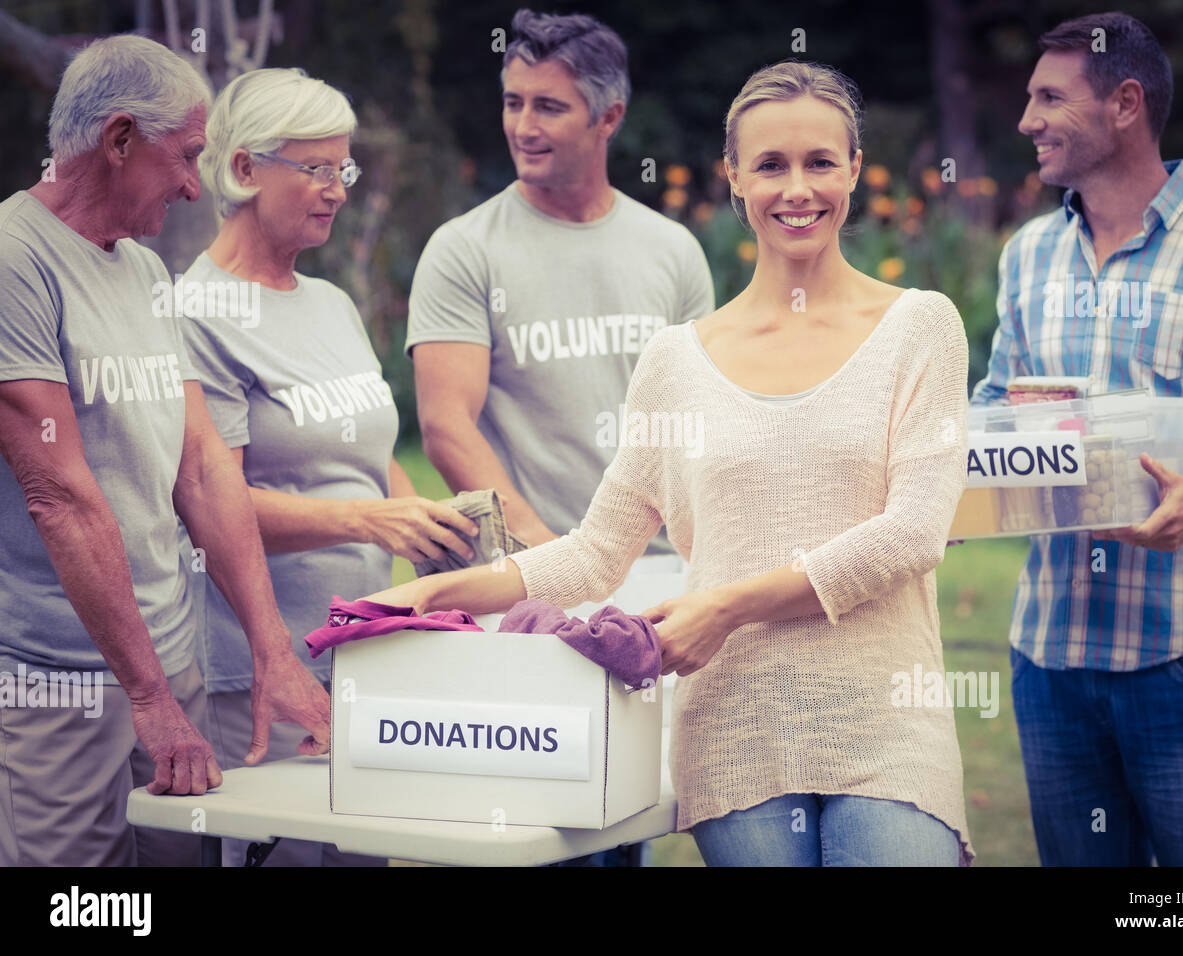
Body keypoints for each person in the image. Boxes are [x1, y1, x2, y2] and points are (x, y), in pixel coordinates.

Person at [369, 61, 974, 867]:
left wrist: (725, 606)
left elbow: (912, 536)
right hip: (734, 729)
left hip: (886, 724)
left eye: (820, 162)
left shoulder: (919, 327)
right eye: (770, 165)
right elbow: (595, 553)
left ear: (856, 171)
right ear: (734, 178)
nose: (798, 189)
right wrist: (435, 591)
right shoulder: (677, 360)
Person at [970, 12, 1183, 866]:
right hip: (1053, 651)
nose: (1026, 121)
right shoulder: (1029, 255)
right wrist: (961, 468)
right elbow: (999, 401)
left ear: (1124, 103)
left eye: (1049, 97)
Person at [0, 35, 329, 867]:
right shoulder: (13, 261)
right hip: (59, 682)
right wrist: (148, 698)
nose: (194, 185)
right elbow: (59, 496)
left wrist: (269, 650)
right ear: (117, 141)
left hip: (168, 666)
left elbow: (204, 466)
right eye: (185, 157)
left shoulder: (146, 271)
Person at [179, 67, 480, 867]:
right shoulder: (195, 315)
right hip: (259, 672)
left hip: (359, 658)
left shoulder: (332, 304)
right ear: (245, 169)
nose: (337, 189)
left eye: (342, 168)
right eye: (315, 168)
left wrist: (431, 542)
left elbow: (373, 461)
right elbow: (209, 504)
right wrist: (366, 520)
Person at [406, 8, 714, 555]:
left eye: (549, 107)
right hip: (534, 571)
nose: (524, 128)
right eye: (513, 102)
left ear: (608, 118)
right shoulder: (463, 250)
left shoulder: (673, 251)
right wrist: (555, 560)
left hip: (666, 569)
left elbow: (695, 424)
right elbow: (447, 429)